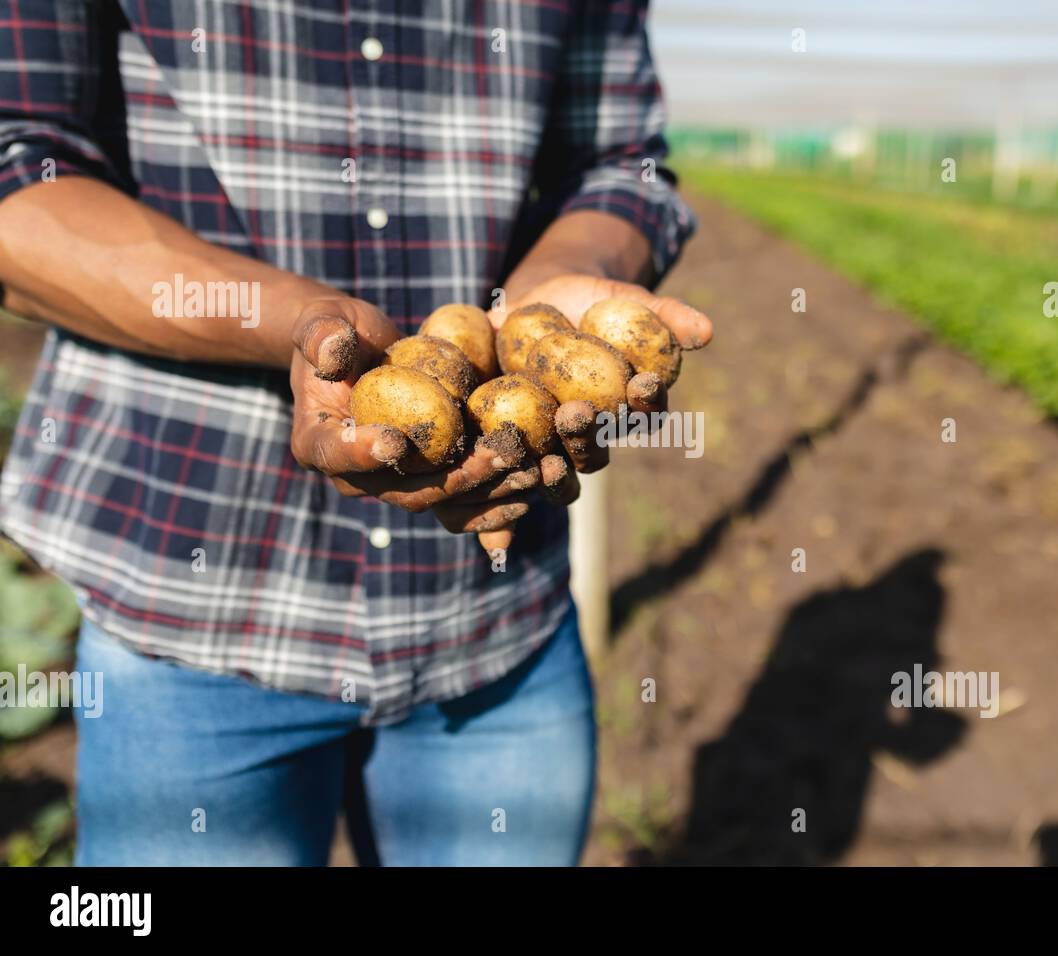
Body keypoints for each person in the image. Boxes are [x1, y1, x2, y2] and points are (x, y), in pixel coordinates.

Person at [0, 0, 710, 866]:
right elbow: (17, 169)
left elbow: (619, 163)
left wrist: (566, 280)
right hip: (189, 602)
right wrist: (295, 322)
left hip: (497, 625)